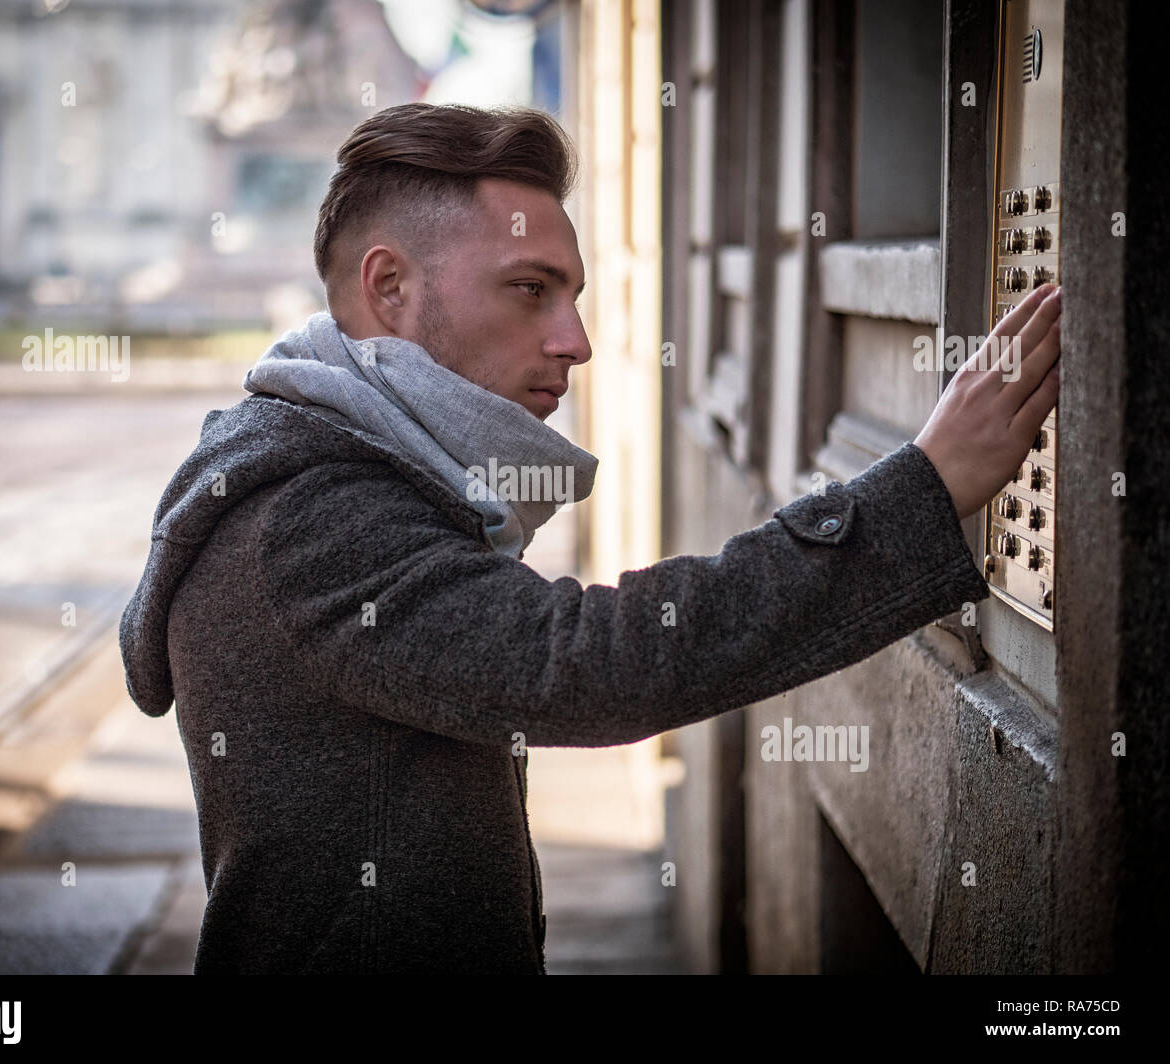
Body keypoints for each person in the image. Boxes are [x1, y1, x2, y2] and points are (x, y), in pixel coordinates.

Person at [117, 102, 1063, 974]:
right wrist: (923, 493)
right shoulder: (313, 518)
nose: (575, 339)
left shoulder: (334, 466)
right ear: (389, 288)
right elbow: (591, 665)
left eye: (571, 294)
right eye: (530, 289)